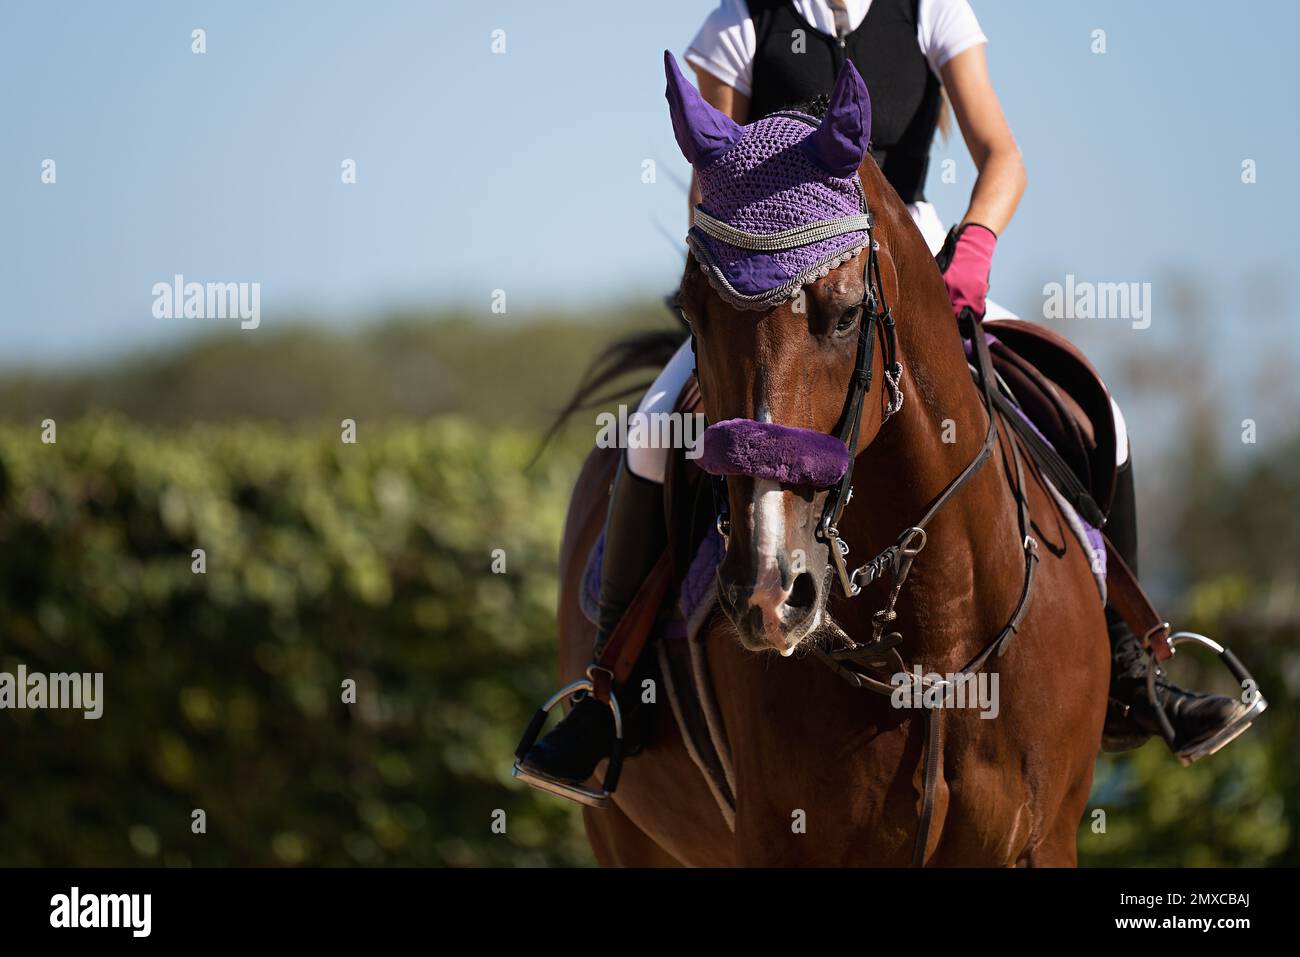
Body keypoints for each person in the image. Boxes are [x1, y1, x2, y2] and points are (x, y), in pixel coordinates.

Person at [516, 0, 1255, 802]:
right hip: (777, 297)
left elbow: (1003, 157)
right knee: (653, 431)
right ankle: (610, 696)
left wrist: (971, 251)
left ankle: (1128, 668)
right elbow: (713, 182)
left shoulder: (931, 9)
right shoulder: (740, 20)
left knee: (1097, 406)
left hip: (920, 269)